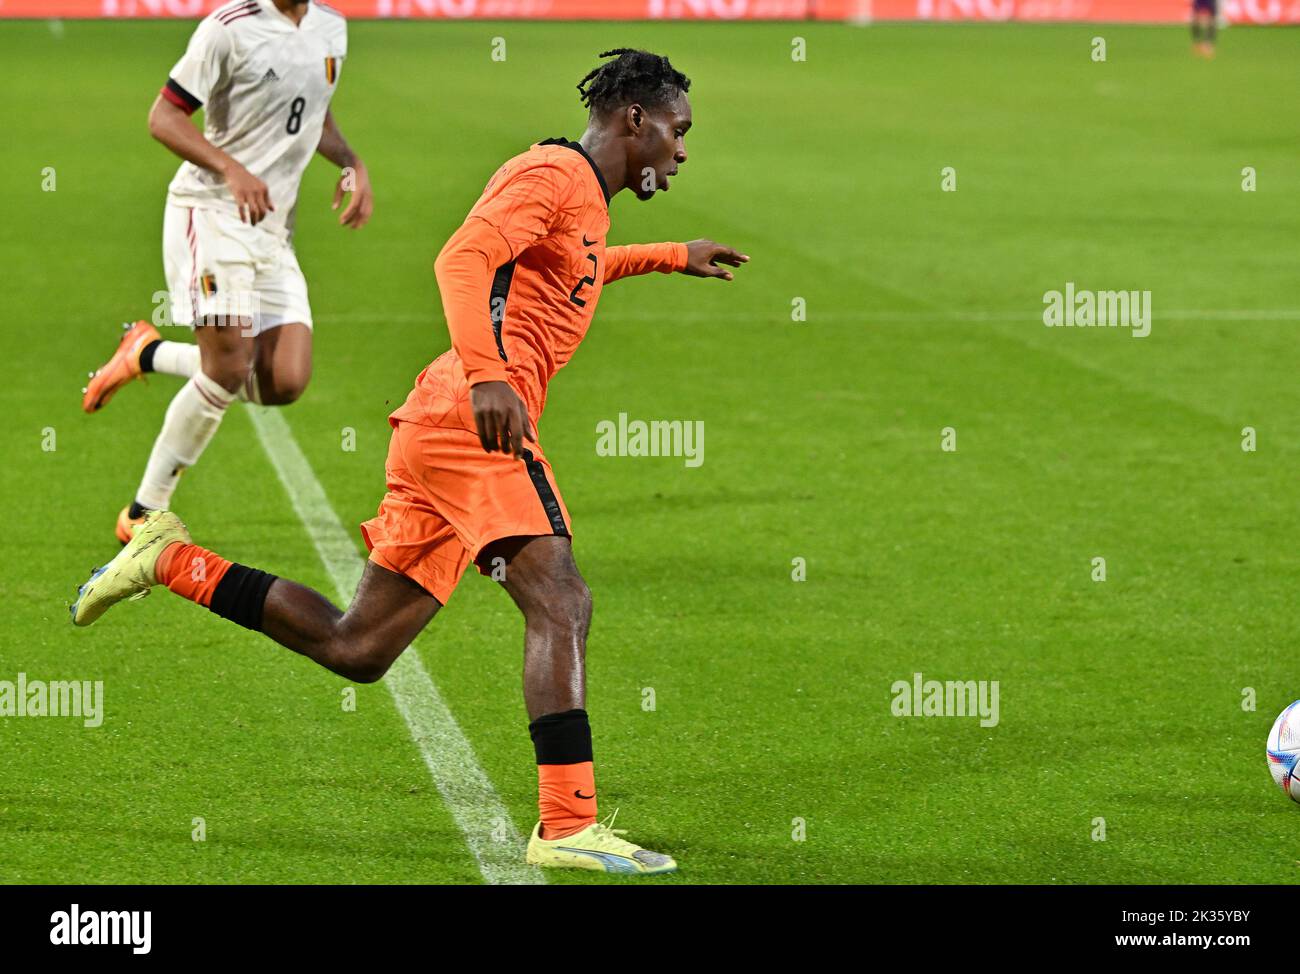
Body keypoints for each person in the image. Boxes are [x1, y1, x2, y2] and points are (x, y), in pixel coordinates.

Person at [73, 48, 748, 875]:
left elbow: (579, 270)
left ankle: (169, 558)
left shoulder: (584, 202)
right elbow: (460, 259)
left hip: (443, 423)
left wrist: (674, 253)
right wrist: (494, 375)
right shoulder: (553, 176)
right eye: (677, 132)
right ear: (633, 119)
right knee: (561, 600)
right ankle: (566, 823)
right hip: (473, 418)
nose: (682, 151)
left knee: (358, 647)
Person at [81, 0, 373, 544]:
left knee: (283, 381)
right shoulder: (227, 29)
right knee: (228, 367)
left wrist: (352, 163)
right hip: (211, 213)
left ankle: (145, 354)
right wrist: (230, 168)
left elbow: (315, 113)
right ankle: (144, 514)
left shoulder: (332, 29)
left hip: (272, 227)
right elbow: (163, 117)